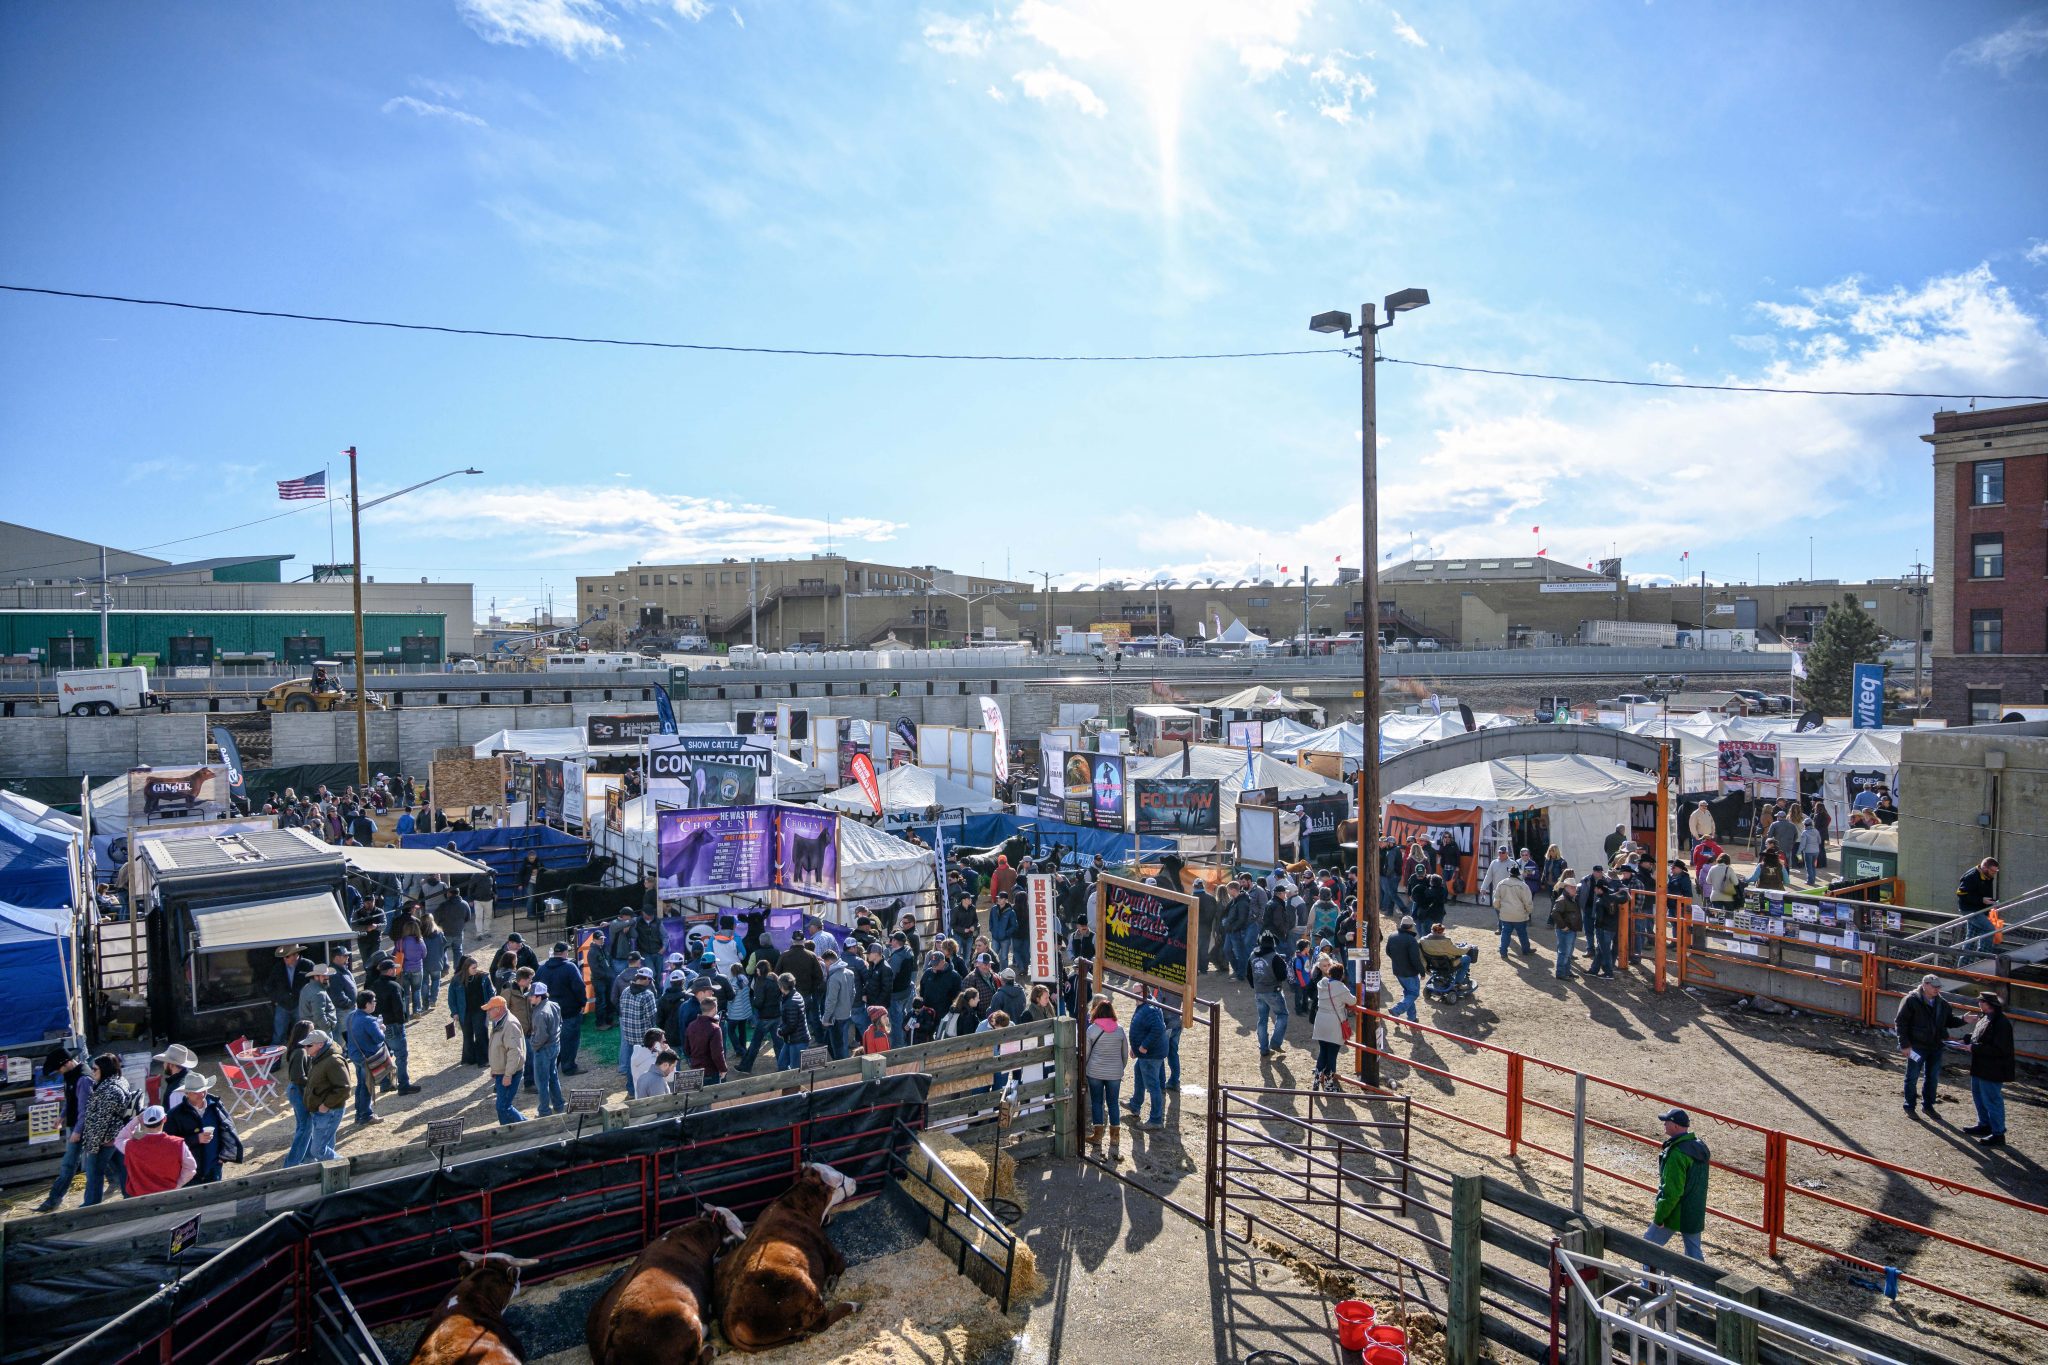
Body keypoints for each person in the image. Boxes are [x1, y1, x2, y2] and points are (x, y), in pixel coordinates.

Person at [1645, 1108, 1710, 1261]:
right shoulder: (1699, 1147)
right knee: (1694, 1256)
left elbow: (1672, 1192)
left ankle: (1647, 1283)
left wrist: (1660, 1217)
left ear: (1675, 1126)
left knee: (1647, 1248)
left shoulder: (1677, 1154)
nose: (1664, 1124)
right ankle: (1700, 1285)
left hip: (1675, 1212)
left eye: (1666, 1121)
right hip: (1695, 1211)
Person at [35, 1046, 94, 1211]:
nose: (58, 1072)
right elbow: (71, 1100)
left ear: (66, 1063)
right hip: (80, 1125)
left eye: (58, 1068)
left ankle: (53, 1201)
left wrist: (77, 1131)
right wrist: (61, 1117)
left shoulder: (83, 1079)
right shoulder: (72, 1075)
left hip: (82, 1126)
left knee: (69, 1165)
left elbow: (85, 1109)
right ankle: (118, 1182)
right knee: (107, 1159)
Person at [77, 1052, 138, 1207]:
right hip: (114, 1138)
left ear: (104, 1070)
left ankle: (90, 1205)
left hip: (105, 1140)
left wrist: (94, 1145)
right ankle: (131, 1198)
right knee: (123, 1170)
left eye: (95, 1069)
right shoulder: (116, 1082)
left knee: (94, 1173)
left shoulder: (110, 1090)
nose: (92, 1072)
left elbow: (101, 1121)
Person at [1895, 974, 1960, 1116]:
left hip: (1934, 1046)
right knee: (1912, 1077)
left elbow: (1949, 1021)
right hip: (1917, 1046)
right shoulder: (1911, 1001)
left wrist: (1963, 1019)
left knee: (1932, 1078)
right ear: (1925, 985)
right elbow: (1901, 1023)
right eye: (1934, 986)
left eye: (1938, 987)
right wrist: (1905, 1045)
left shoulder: (1942, 1003)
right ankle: (1910, 1106)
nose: (1937, 989)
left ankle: (1928, 1105)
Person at [1961, 992, 2015, 1148]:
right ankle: (1985, 1124)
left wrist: (1974, 1047)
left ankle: (1998, 1133)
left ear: (1988, 1003)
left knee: (1992, 1100)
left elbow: (1999, 1049)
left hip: (1993, 1069)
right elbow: (1980, 1036)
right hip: (1981, 1066)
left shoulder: (2001, 1023)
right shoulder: (1986, 1017)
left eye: (1981, 1001)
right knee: (1979, 1096)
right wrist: (1966, 1040)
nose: (1979, 1003)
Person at [114, 1104, 196, 1196]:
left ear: (144, 1122)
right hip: (169, 1195)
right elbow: (191, 1168)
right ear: (164, 1119)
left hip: (139, 1197)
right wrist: (177, 1185)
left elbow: (119, 1139)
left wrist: (136, 1120)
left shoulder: (131, 1146)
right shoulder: (178, 1144)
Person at [163, 1073, 229, 1184]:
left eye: (204, 1090)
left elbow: (227, 1129)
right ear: (186, 1093)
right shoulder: (175, 1115)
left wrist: (224, 1155)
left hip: (214, 1168)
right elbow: (168, 1144)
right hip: (190, 1174)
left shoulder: (215, 1106)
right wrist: (195, 1139)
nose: (202, 1094)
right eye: (196, 1092)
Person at [1084, 998, 1129, 1155]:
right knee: (1113, 1103)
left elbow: (1087, 1054)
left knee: (1097, 1102)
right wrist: (1119, 1068)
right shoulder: (1120, 1030)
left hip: (1095, 1072)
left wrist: (1086, 1068)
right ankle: (1115, 1137)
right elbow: (1125, 1054)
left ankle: (1097, 1135)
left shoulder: (1091, 1030)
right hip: (1114, 1073)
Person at [535, 940, 587, 1076]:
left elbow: (535, 988)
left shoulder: (542, 968)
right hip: (569, 1010)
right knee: (570, 1039)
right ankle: (569, 1066)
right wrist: (583, 1003)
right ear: (565, 953)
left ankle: (552, 1066)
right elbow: (579, 987)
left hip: (549, 1011)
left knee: (552, 1039)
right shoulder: (570, 967)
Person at [370, 956, 418, 1095]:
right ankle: (404, 1085)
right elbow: (399, 1006)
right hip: (393, 1025)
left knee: (384, 1056)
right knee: (401, 1056)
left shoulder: (374, 985)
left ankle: (385, 1084)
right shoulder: (394, 986)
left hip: (379, 1025)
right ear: (390, 970)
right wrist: (401, 1021)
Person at [301, 1030, 348, 1162]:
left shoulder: (333, 1061)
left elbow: (344, 1088)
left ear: (320, 1045)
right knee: (325, 1148)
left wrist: (326, 1105)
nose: (305, 1048)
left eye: (309, 1045)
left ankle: (345, 1166)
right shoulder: (318, 1058)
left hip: (329, 1111)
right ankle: (331, 1173)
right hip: (321, 1112)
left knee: (317, 1150)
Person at [1125, 990, 1167, 1131]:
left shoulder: (1149, 1008)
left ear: (1144, 992)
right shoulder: (1146, 1005)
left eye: (1137, 992)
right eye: (1134, 992)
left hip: (1150, 1055)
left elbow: (1159, 1028)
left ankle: (1155, 1119)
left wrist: (1143, 1046)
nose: (1134, 995)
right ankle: (1135, 1105)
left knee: (1153, 1086)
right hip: (1148, 1054)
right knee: (1138, 1072)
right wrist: (1136, 1048)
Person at [343, 990, 386, 1124]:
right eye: (374, 1001)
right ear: (367, 1004)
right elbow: (379, 1039)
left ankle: (359, 1114)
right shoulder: (369, 1020)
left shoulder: (350, 1016)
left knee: (361, 1085)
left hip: (355, 1055)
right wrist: (382, 1028)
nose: (375, 1004)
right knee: (367, 1086)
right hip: (366, 1057)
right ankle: (366, 1115)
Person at [484, 994, 528, 1125]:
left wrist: (508, 1075)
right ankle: (514, 1128)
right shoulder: (500, 1021)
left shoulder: (509, 1024)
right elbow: (499, 1048)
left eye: (490, 1009)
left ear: (498, 1009)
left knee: (503, 1106)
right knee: (503, 1106)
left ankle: (521, 1127)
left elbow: (514, 1052)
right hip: (502, 1072)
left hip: (509, 1073)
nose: (487, 1012)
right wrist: (494, 1068)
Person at [1249, 931, 1291, 1057]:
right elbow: (1282, 976)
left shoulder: (1252, 955)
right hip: (1273, 992)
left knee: (1262, 1020)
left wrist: (1255, 985)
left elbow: (1249, 974)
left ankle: (1263, 1048)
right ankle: (1275, 1042)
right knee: (1282, 1015)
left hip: (1259, 992)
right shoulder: (1275, 957)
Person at [1310, 961, 1350, 1091]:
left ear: (1330, 973)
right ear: (1341, 975)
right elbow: (1353, 1000)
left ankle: (1316, 1080)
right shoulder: (1341, 988)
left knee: (1323, 1052)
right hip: (1334, 1024)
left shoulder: (1322, 984)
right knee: (1332, 1055)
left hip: (1321, 1021)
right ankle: (1328, 1085)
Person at [527, 981, 564, 1115]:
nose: (530, 998)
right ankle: (559, 1105)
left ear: (539, 996)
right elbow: (560, 1022)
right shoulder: (554, 1005)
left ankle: (544, 1110)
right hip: (555, 1046)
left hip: (543, 1049)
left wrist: (533, 1044)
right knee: (553, 1077)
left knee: (541, 1082)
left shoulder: (540, 1014)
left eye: (531, 996)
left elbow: (541, 1036)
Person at [618, 966, 660, 1079]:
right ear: (646, 979)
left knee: (632, 1064)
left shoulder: (625, 991)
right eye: (650, 980)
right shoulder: (648, 995)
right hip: (643, 1038)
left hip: (628, 1036)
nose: (650, 983)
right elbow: (652, 1017)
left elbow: (621, 1011)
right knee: (644, 1067)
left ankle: (631, 1089)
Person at [819, 947, 857, 1061]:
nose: (825, 967)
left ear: (830, 962)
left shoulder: (834, 978)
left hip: (835, 1018)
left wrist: (826, 1019)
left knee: (838, 1047)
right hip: (846, 1014)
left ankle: (841, 1068)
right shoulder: (849, 973)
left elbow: (831, 1001)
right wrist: (848, 1007)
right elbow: (853, 993)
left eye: (825, 964)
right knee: (837, 1043)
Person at [453, 956, 491, 1067]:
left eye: (476, 967)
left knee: (481, 1033)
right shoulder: (457, 980)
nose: (476, 969)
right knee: (467, 1035)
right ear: (467, 968)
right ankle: (469, 1059)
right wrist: (454, 1012)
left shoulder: (483, 977)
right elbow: (452, 997)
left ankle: (484, 1059)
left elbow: (490, 991)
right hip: (465, 1011)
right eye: (473, 968)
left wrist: (490, 1005)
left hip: (480, 1010)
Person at [683, 989, 727, 1084]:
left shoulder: (691, 1026)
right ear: (714, 1008)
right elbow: (717, 1053)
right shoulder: (715, 1029)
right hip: (710, 1071)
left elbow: (686, 1049)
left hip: (696, 1070)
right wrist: (723, 1069)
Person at [1386, 916, 1425, 1021]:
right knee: (1413, 993)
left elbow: (1388, 952)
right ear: (1411, 927)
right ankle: (1397, 1010)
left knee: (1408, 993)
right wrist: (1422, 972)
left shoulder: (1392, 936)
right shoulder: (1411, 940)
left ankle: (1412, 1017)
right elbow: (1415, 960)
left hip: (1398, 971)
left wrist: (1397, 961)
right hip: (1409, 973)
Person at [272, 943, 312, 1045]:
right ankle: (276, 1060)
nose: (284, 959)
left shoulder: (308, 965)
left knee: (303, 1034)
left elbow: (314, 984)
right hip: (282, 1006)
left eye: (287, 956)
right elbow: (269, 985)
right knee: (279, 1035)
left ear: (295, 955)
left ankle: (302, 1057)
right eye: (284, 957)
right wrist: (277, 1000)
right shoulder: (278, 967)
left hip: (301, 1005)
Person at [1957, 857, 1999, 951]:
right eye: (1993, 871)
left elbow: (1984, 893)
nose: (1994, 873)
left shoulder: (1987, 876)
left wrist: (1992, 902)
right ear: (1984, 868)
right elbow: (1961, 894)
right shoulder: (1971, 876)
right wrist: (1981, 900)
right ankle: (1983, 955)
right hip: (1970, 910)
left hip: (1979, 909)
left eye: (1996, 871)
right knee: (1989, 929)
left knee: (1971, 938)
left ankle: (1964, 963)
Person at [774, 972, 814, 1071]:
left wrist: (780, 1031)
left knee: (795, 1071)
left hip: (797, 1040)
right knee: (782, 1065)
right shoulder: (795, 995)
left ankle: (792, 1086)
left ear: (781, 986)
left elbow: (792, 1025)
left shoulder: (791, 1001)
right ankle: (788, 1086)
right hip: (792, 1039)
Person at [1420, 922, 1475, 993]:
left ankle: (1443, 978)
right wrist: (1467, 947)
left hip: (1433, 964)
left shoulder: (1422, 941)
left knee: (1443, 959)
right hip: (1448, 964)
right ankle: (1458, 984)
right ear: (1442, 931)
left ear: (1431, 930)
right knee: (1467, 958)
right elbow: (1459, 951)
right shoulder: (1445, 941)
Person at [1493, 866, 1534, 958]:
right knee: (1522, 933)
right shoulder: (1523, 885)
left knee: (1505, 933)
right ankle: (1526, 950)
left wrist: (1499, 908)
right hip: (1519, 915)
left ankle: (1503, 951)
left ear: (1509, 873)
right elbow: (1528, 901)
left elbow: (1496, 899)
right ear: (1518, 874)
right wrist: (1529, 911)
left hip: (1505, 914)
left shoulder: (1501, 883)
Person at [1550, 872, 1583, 981]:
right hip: (1566, 930)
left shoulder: (1570, 898)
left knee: (1567, 953)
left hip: (1570, 930)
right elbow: (1554, 913)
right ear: (1568, 888)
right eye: (1573, 888)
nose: (1575, 889)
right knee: (1564, 952)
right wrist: (1563, 926)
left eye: (1575, 887)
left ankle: (1567, 972)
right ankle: (1561, 973)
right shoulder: (1562, 899)